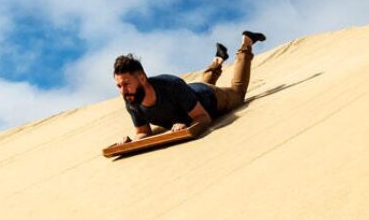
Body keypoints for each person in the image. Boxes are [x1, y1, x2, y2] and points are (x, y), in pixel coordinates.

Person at [113, 31, 267, 144]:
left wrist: (187, 124)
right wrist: (131, 141)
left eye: (126, 84)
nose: (123, 90)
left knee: (238, 93)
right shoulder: (131, 99)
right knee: (189, 94)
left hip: (210, 97)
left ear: (141, 78)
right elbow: (143, 132)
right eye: (119, 85)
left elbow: (203, 117)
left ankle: (246, 43)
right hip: (190, 93)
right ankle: (219, 59)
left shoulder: (171, 85)